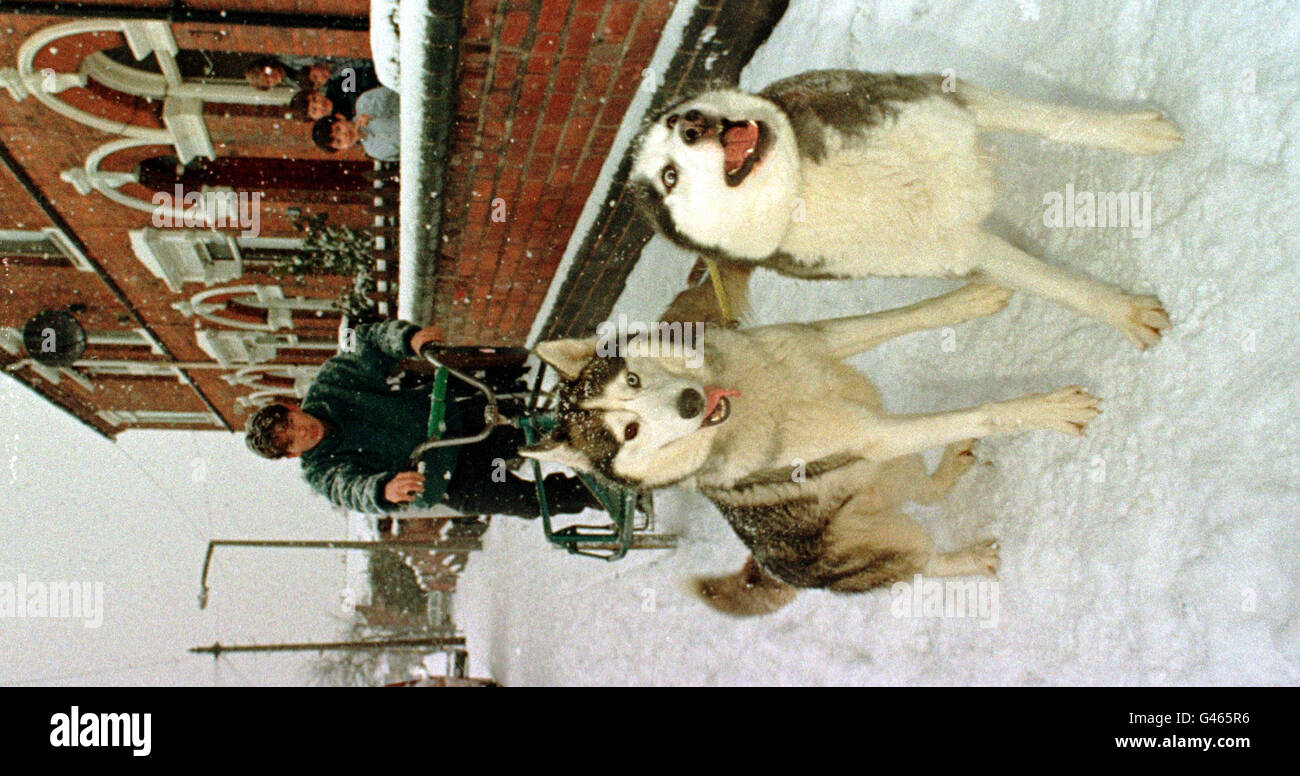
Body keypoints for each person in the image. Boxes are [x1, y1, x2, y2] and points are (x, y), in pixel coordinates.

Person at [244, 319, 600, 518]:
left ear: (292, 408)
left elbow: (368, 342)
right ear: (291, 455)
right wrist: (383, 489)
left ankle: (608, 430)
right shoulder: (321, 470)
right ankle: (598, 492)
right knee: (525, 501)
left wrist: (409, 339)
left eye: (290, 424)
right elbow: (350, 489)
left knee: (536, 428)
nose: (301, 432)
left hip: (454, 423)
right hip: (445, 478)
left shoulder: (332, 387)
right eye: (290, 441)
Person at [311, 85, 399, 161]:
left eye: (338, 129)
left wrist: (374, 116)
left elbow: (400, 90)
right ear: (343, 149)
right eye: (339, 141)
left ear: (340, 117)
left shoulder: (364, 103)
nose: (344, 135)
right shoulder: (374, 151)